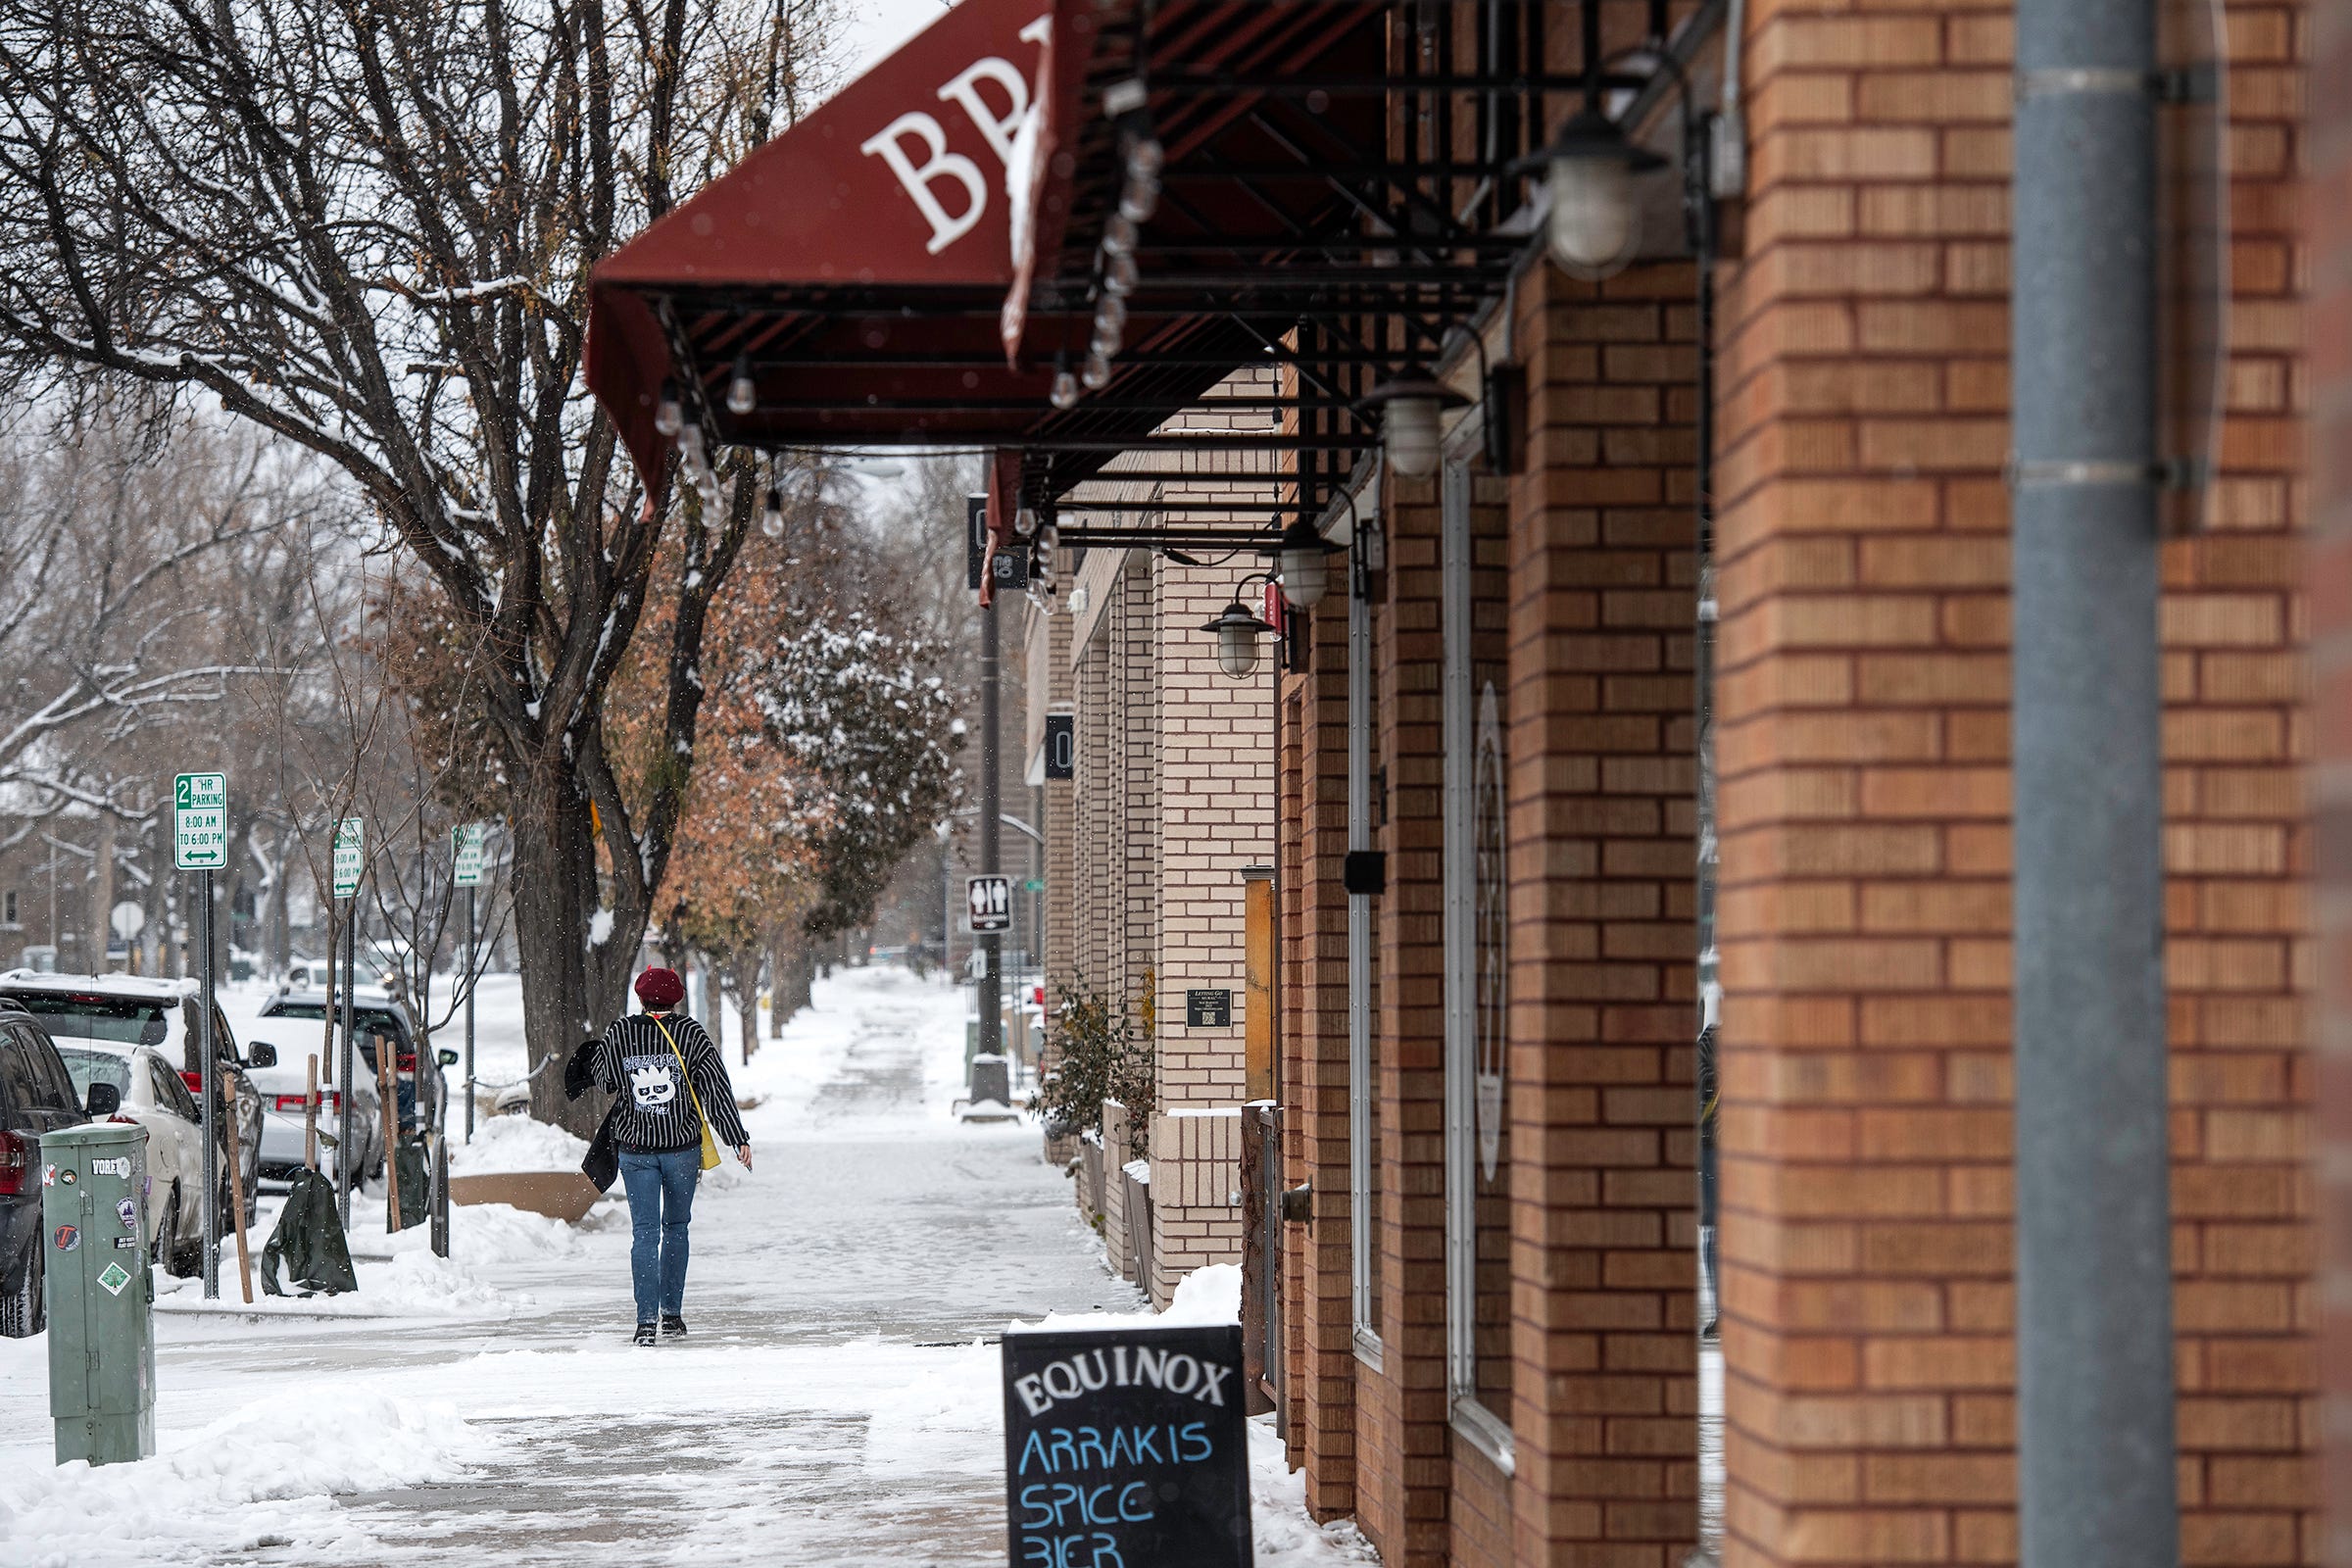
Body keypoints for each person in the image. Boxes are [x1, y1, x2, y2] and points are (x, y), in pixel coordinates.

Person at [588, 967, 752, 1345]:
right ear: (676, 998)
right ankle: (671, 1316)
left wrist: (598, 1057)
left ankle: (645, 1323)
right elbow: (715, 1089)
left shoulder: (621, 1032)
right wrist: (735, 1136)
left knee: (644, 1233)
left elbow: (605, 1080)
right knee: (676, 1229)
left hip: (635, 1149)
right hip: (681, 1148)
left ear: (641, 998)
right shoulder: (691, 1034)